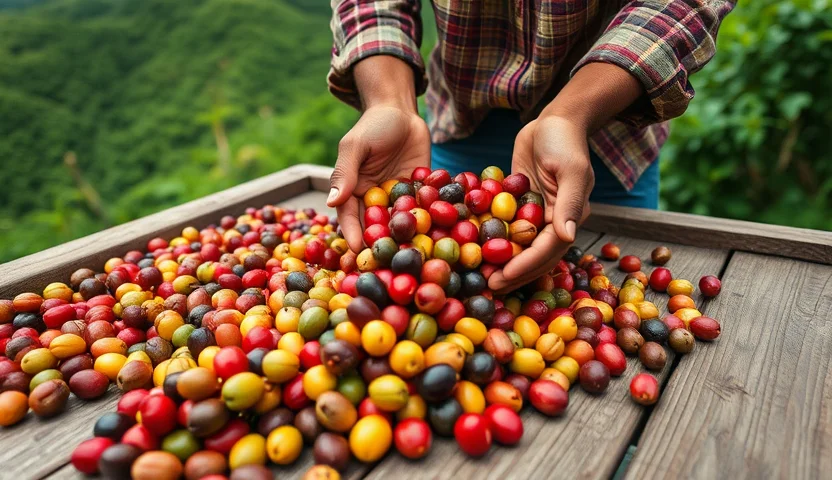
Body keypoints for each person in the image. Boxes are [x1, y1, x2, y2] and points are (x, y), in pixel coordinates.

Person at [326, 1, 734, 292]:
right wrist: (389, 101)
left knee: (600, 271)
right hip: (457, 125)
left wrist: (571, 114)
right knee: (455, 265)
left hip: (605, 128)